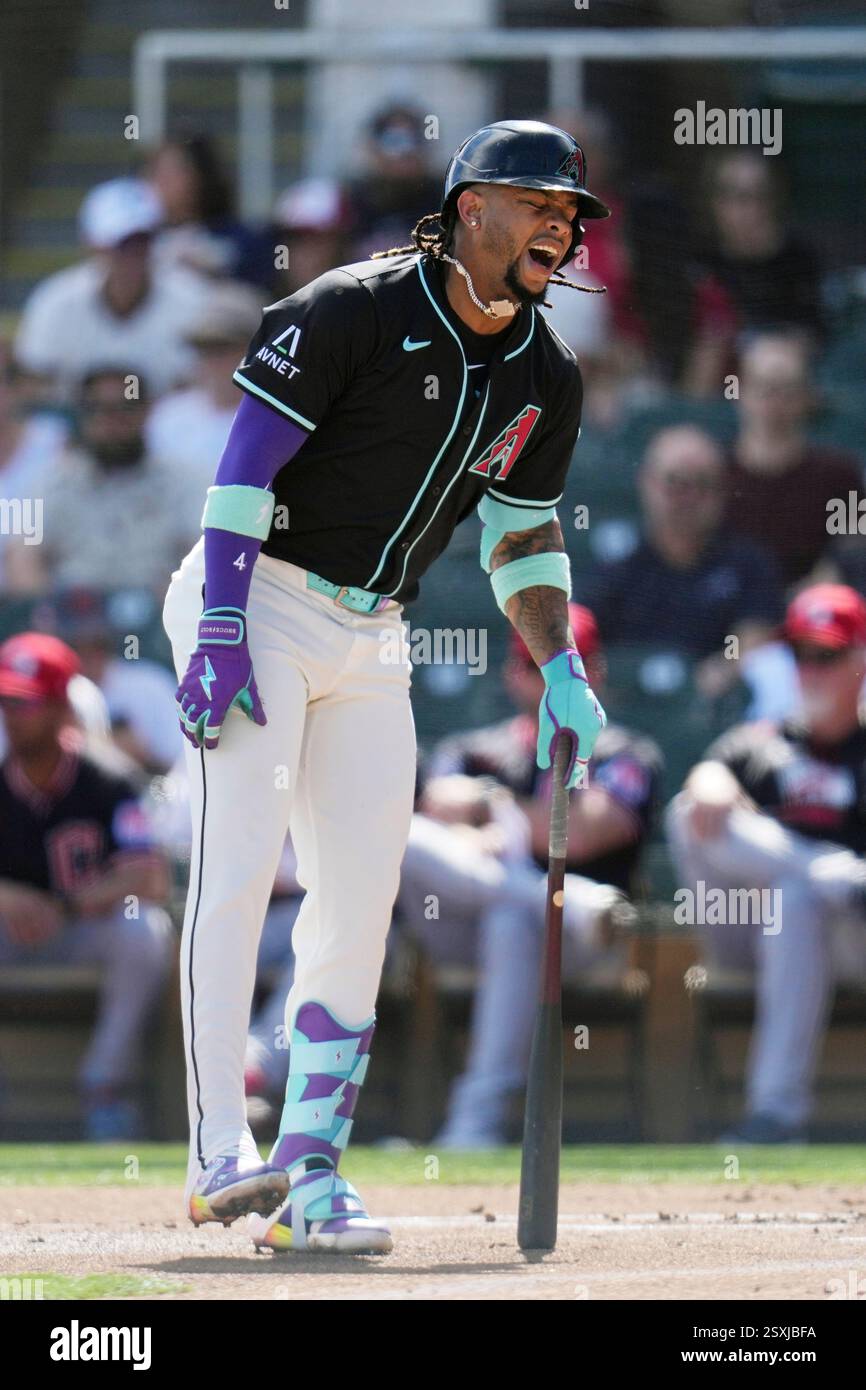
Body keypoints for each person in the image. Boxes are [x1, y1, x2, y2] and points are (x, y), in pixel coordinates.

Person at [162, 118, 610, 1253]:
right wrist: (217, 620)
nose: (558, 224)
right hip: (256, 594)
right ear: (470, 207)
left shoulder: (544, 373)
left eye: (569, 211)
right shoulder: (352, 306)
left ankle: (309, 1177)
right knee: (238, 863)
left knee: (360, 895)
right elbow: (243, 465)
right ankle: (222, 1147)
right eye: (536, 203)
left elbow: (522, 537)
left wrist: (557, 662)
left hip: (374, 634)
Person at [399, 604, 660, 1146]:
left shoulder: (624, 752)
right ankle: (565, 898)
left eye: (569, 666)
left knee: (511, 924)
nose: (549, 683)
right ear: (512, 673)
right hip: (465, 926)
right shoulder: (474, 748)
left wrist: (493, 814)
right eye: (534, 666)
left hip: (582, 943)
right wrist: (479, 823)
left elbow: (582, 832)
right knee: (399, 834)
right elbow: (429, 806)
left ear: (597, 672)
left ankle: (475, 1126)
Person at [666, 584, 866, 1143]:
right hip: (744, 927)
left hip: (853, 937)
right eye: (800, 655)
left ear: (861, 660)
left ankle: (776, 1116)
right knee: (690, 814)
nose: (810, 671)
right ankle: (820, 869)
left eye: (827, 656)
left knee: (795, 901)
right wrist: (711, 782)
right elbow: (702, 789)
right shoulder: (759, 742)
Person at [0, 633, 172, 1140]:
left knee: (144, 928)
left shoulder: (109, 779)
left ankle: (105, 1084)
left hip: (83, 932)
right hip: (11, 934)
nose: (12, 714)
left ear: (58, 707)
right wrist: (9, 896)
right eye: (5, 701)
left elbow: (152, 876)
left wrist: (67, 906)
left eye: (24, 703)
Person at [580, 424, 783, 693]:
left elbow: (758, 638)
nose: (688, 497)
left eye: (702, 483)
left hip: (717, 712)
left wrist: (725, 669)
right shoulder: (615, 565)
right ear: (647, 483)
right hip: (622, 711)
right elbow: (578, 636)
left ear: (722, 490)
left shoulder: (748, 564)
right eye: (675, 483)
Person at [13, 178, 210, 405]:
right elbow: (33, 384)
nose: (133, 254)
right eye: (121, 243)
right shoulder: (55, 303)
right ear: (91, 244)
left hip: (171, 433)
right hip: (78, 433)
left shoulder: (194, 300)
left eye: (142, 240)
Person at [5, 367, 200, 596]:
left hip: (156, 613)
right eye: (96, 409)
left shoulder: (186, 481)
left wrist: (177, 602)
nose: (111, 420)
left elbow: (204, 558)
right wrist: (45, 609)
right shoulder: (47, 480)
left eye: (124, 408)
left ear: (146, 411)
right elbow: (19, 556)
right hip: (72, 614)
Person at [725, 332, 864, 588]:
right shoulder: (715, 472)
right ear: (741, 391)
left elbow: (854, 550)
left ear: (807, 397)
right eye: (764, 387)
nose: (774, 402)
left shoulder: (838, 473)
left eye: (787, 390)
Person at [684, 153, 823, 399]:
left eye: (761, 195)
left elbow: (811, 336)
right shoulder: (699, 261)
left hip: (778, 389)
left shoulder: (798, 257)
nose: (751, 208)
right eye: (737, 196)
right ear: (716, 203)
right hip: (717, 391)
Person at [145, 283, 264, 500]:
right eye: (204, 349)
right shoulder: (167, 416)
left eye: (223, 348)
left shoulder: (275, 420)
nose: (212, 361)